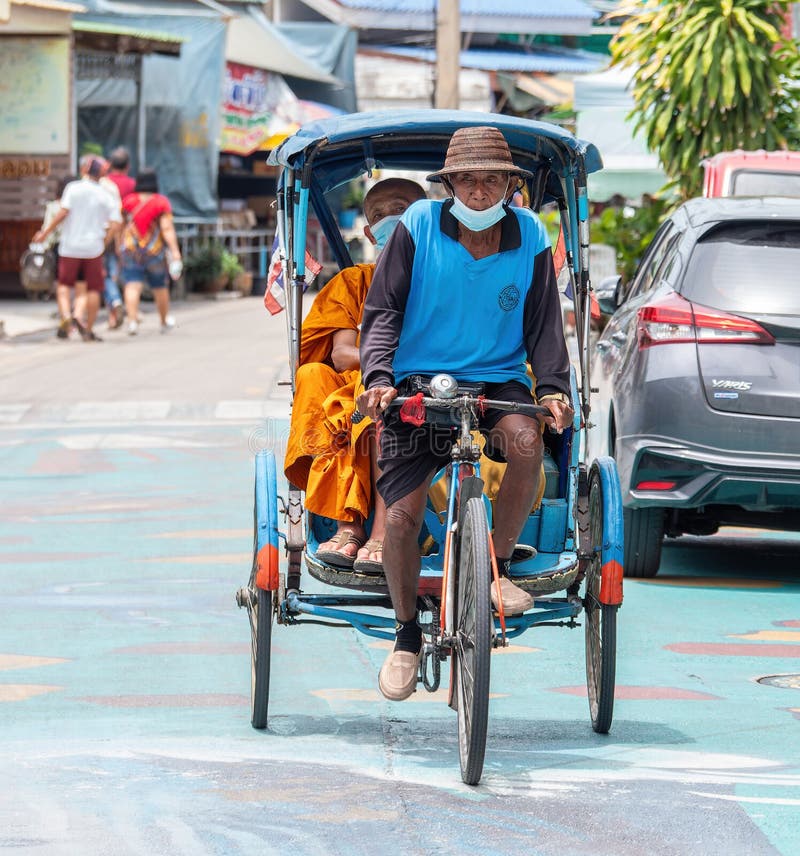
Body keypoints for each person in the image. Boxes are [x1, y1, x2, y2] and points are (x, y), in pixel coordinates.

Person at [356, 126, 575, 701]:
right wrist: (378, 379)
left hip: (498, 377)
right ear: (449, 183)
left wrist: (552, 388)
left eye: (492, 179)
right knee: (400, 517)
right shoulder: (417, 226)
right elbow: (382, 311)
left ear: (509, 185)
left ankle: (496, 569)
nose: (480, 190)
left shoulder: (529, 234)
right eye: (469, 179)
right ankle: (405, 637)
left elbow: (544, 324)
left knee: (528, 443)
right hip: (418, 379)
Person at [284, 178, 427, 573]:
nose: (389, 221)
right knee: (320, 378)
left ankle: (381, 534)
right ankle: (350, 526)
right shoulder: (354, 282)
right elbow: (343, 356)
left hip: (432, 384)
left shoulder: (445, 275)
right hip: (364, 387)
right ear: (368, 231)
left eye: (400, 210)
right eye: (379, 216)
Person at [32, 157, 122, 341]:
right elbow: (115, 223)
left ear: (85, 171)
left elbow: (63, 212)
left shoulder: (73, 188)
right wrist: (105, 242)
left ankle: (66, 316)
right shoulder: (105, 194)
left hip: (70, 247)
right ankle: (86, 327)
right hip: (93, 249)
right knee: (91, 289)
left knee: (65, 285)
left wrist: (45, 232)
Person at [119, 168, 183, 335]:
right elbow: (167, 228)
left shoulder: (128, 201)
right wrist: (175, 251)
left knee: (132, 285)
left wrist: (119, 246)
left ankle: (132, 322)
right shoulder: (161, 202)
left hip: (132, 250)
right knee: (160, 286)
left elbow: (121, 226)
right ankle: (163, 321)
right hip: (154, 251)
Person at [101, 149, 136, 329]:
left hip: (105, 234)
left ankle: (114, 307)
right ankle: (126, 310)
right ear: (128, 166)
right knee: (124, 275)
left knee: (107, 274)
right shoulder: (132, 184)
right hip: (126, 235)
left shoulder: (103, 184)